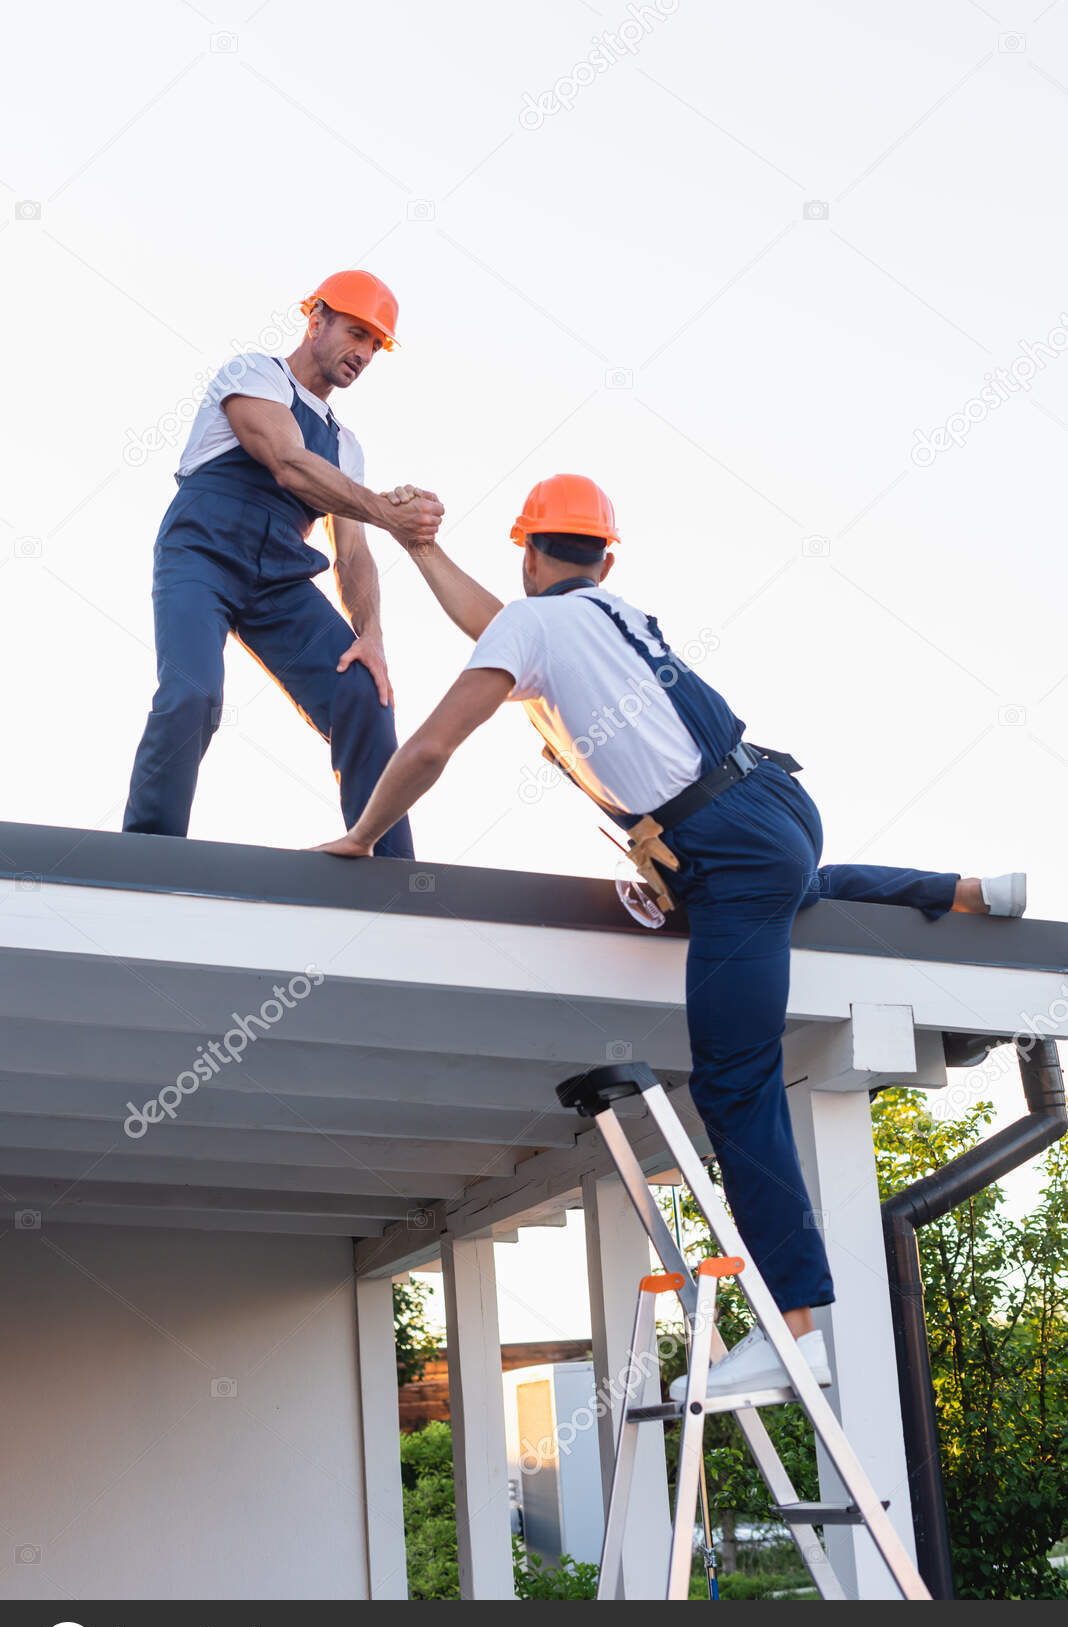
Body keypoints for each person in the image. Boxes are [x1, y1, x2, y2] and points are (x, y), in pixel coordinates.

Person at [316, 473, 1027, 1398]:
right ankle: (965, 889)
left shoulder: (533, 627)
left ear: (530, 552)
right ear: (604, 558)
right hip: (778, 807)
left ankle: (796, 1325)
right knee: (798, 891)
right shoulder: (609, 615)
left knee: (736, 1081)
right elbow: (502, 626)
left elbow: (431, 747)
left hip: (727, 851)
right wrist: (419, 551)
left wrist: (364, 835)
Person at [122, 270, 443, 851]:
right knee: (192, 694)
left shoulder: (346, 445)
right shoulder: (253, 374)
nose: (365, 353)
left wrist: (370, 635)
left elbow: (351, 550)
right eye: (356, 333)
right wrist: (385, 509)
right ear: (316, 320)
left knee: (364, 696)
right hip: (203, 551)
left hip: (281, 578)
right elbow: (287, 462)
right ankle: (148, 854)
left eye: (375, 344)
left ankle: (392, 882)